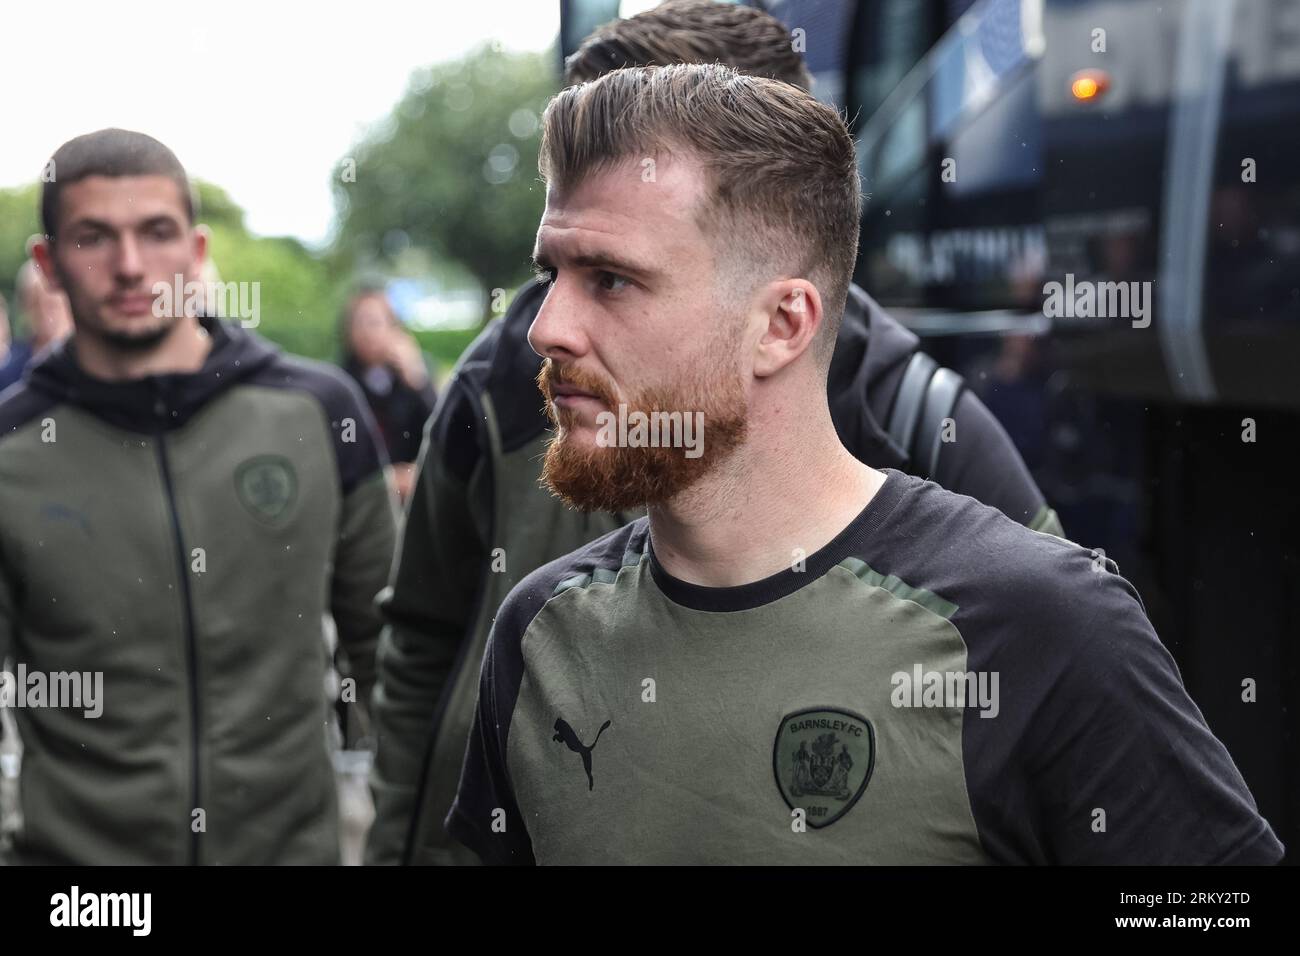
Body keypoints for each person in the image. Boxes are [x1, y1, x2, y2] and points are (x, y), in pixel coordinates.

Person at [445, 63, 1283, 865]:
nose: (545, 327)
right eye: (552, 273)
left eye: (612, 280)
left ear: (780, 325)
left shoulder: (1041, 627)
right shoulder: (538, 635)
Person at [367, 0, 1064, 866]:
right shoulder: (499, 395)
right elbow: (424, 638)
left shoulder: (918, 417)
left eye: (618, 272)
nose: (553, 325)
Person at [0, 128, 398, 864]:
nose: (129, 266)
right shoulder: (12, 451)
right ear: (49, 264)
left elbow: (394, 663)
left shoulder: (317, 412)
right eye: (94, 238)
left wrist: (399, 843)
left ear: (198, 250)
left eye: (156, 233)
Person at [339, 286, 436, 503]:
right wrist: (386, 478)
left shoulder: (414, 375)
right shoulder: (341, 382)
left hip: (413, 491)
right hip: (363, 494)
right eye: (359, 322)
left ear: (394, 328)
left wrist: (418, 380)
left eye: (374, 322)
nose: (366, 332)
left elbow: (439, 433)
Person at [0, 259, 74, 393]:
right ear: (25, 307)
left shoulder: (89, 362)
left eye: (52, 304)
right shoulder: (8, 371)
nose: (44, 312)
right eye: (35, 303)